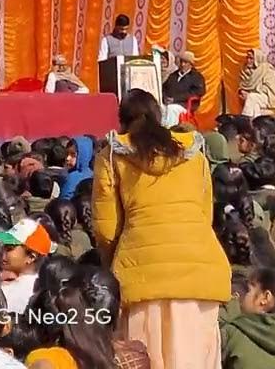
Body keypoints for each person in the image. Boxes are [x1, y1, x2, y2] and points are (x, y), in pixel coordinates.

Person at [93, 88, 229, 369]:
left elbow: (106, 228)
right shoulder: (193, 154)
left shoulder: (111, 157)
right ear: (159, 116)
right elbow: (205, 214)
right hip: (201, 272)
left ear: (122, 121)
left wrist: (114, 265)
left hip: (141, 275)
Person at [0, 217, 54, 314]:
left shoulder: (17, 294)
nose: (2, 252)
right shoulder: (43, 284)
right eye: (3, 246)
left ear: (31, 257)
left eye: (9, 248)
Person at [161, 51, 205, 124]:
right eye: (181, 62)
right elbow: (164, 88)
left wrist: (175, 99)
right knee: (159, 108)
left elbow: (199, 92)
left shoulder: (196, 77)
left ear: (190, 65)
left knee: (172, 109)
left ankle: (170, 130)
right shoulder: (173, 76)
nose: (182, 64)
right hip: (168, 102)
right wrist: (165, 98)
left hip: (185, 104)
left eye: (185, 62)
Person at [237, 48, 275, 118]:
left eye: (251, 58)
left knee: (252, 97)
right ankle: (254, 125)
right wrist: (241, 91)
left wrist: (252, 92)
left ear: (257, 58)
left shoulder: (267, 69)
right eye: (247, 58)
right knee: (254, 107)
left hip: (266, 97)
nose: (248, 60)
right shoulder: (245, 71)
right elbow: (242, 85)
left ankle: (244, 120)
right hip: (251, 100)